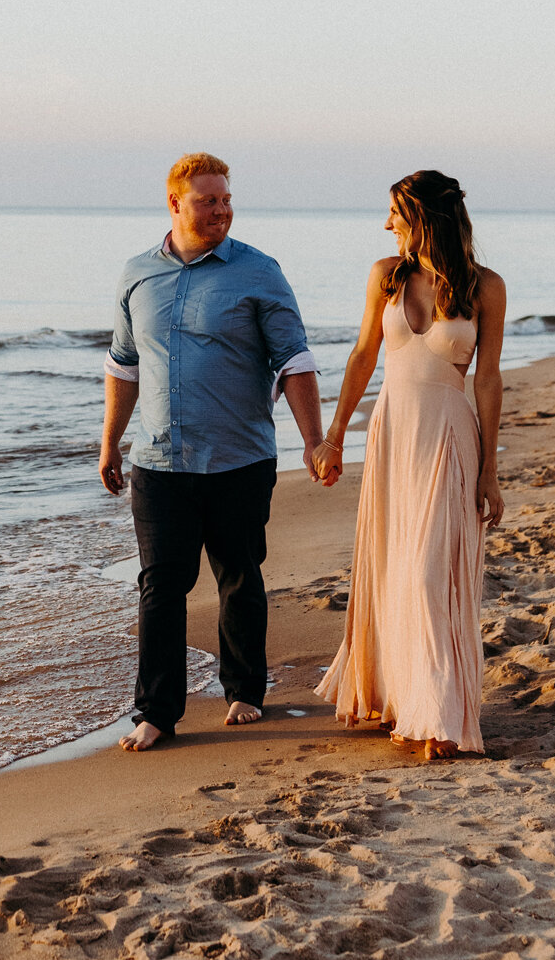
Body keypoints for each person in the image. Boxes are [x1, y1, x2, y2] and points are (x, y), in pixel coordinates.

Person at [99, 153, 328, 751]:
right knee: (161, 585)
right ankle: (155, 712)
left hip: (239, 459)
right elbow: (123, 364)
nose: (222, 209)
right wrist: (109, 443)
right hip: (158, 461)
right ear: (175, 204)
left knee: (238, 575)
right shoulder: (135, 274)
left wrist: (314, 441)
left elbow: (294, 360)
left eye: (227, 198)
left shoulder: (259, 271)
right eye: (209, 200)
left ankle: (245, 690)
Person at [310, 169, 506, 760]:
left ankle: (440, 717)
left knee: (429, 576)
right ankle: (404, 699)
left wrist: (490, 472)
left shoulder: (484, 287)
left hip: (448, 436)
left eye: (395, 211)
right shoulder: (385, 276)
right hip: (392, 434)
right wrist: (335, 433)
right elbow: (365, 353)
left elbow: (489, 379)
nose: (387, 223)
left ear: (424, 216)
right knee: (394, 569)